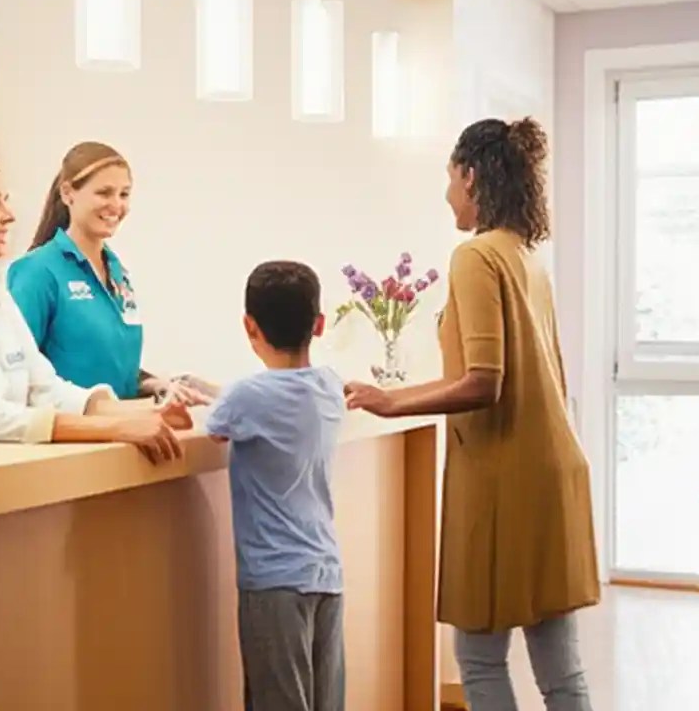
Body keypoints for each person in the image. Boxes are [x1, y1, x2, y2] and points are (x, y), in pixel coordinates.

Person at [344, 117, 596, 711]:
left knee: (479, 660)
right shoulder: (527, 257)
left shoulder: (476, 256)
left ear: (471, 175)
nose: (447, 194)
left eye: (449, 178)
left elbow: (483, 381)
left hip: (504, 479)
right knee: (561, 669)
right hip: (553, 471)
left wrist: (390, 401)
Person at [0, 153, 189, 463]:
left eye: (5, 201)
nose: (9, 215)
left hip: (4, 475)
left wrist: (147, 410)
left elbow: (44, 388)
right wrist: (114, 426)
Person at [203, 261, 346, 711]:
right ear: (319, 324)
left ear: (249, 326)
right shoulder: (330, 386)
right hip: (326, 574)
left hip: (274, 582)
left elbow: (217, 425)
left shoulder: (246, 397)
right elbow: (263, 402)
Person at [8, 141, 214, 405]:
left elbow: (111, 364)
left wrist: (152, 384)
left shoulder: (118, 272)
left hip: (122, 428)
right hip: (67, 434)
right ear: (68, 193)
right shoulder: (37, 271)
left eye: (124, 194)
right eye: (104, 193)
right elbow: (16, 369)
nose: (116, 205)